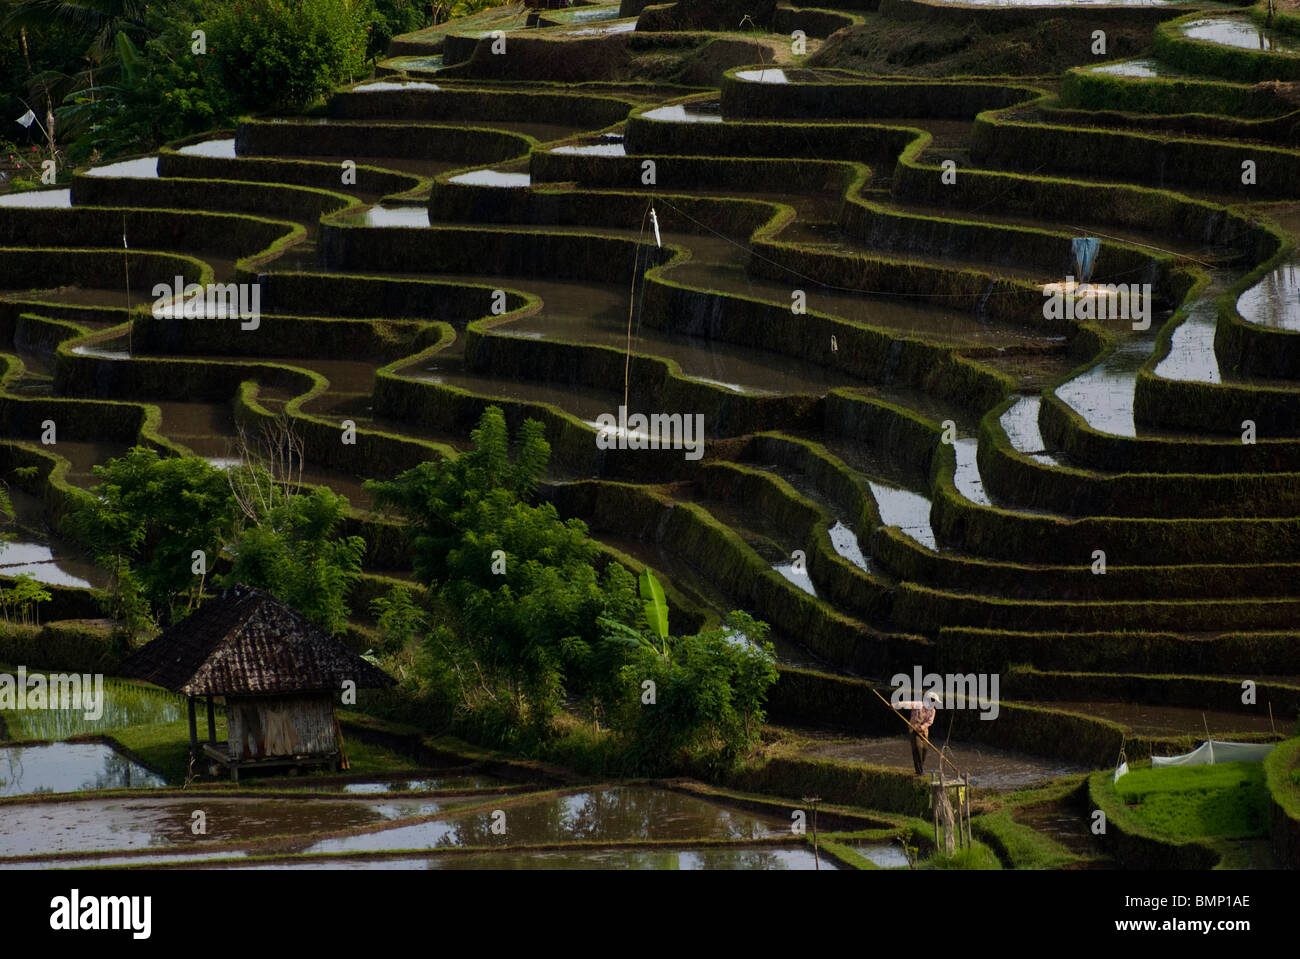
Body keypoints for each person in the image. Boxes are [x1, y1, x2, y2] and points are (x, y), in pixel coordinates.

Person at [894, 691, 940, 775]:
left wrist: (921, 728)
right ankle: (919, 771)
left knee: (925, 749)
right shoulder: (918, 704)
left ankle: (920, 767)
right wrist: (895, 705)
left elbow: (929, 722)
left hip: (924, 731)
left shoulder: (932, 711)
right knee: (917, 748)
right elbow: (906, 704)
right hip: (913, 729)